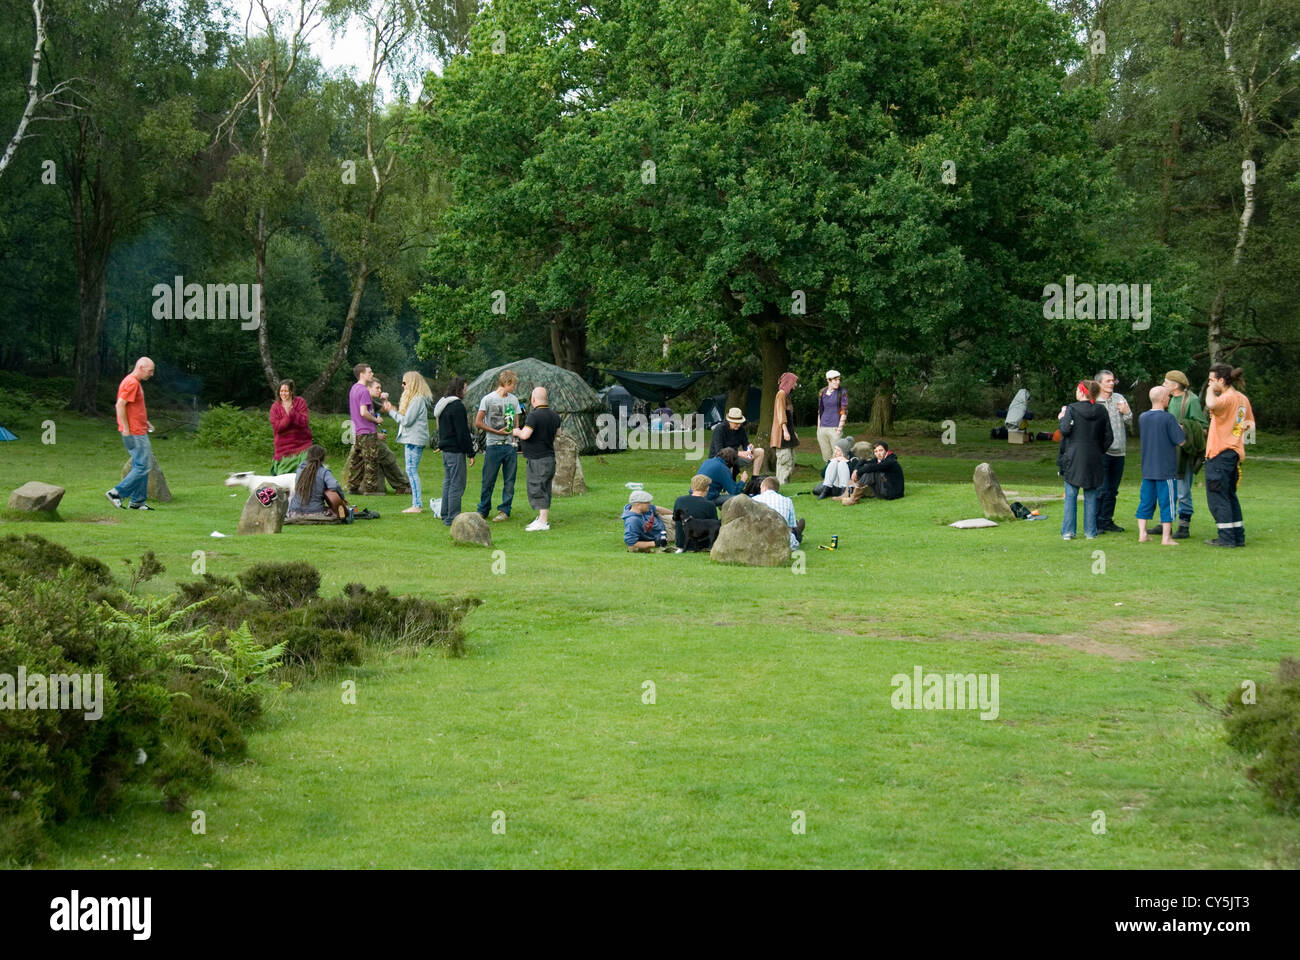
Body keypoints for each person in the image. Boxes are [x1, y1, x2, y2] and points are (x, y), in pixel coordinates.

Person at [1202, 364, 1255, 548]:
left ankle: (1225, 538)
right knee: (1230, 495)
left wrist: (1210, 390)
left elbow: (1211, 404)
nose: (1210, 383)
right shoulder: (1242, 399)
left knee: (1218, 497)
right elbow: (1249, 426)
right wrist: (1236, 438)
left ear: (1221, 380)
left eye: (1211, 380)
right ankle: (1237, 536)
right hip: (1233, 453)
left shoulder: (1226, 397)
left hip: (1219, 454)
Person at [1057, 380, 1113, 540]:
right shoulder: (1101, 410)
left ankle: (1068, 531)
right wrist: (1098, 450)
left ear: (1082, 392)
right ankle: (1090, 531)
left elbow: (1065, 430)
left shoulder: (1072, 409)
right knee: (1091, 495)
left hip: (1074, 455)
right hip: (1094, 456)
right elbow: (1109, 437)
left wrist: (1062, 417)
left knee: (1071, 495)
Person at [1135, 386, 1185, 546]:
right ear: (1163, 399)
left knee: (1145, 501)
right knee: (1168, 503)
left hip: (1147, 468)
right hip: (1165, 469)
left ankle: (1142, 534)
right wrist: (1180, 428)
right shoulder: (1169, 418)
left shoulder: (1143, 417)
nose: (1169, 399)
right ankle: (1166, 537)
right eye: (1168, 397)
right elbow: (1181, 441)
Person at [106, 356, 157, 510]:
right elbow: (120, 405)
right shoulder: (132, 383)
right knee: (144, 466)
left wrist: (145, 422)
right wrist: (126, 429)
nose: (152, 374)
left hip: (138, 429)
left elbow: (133, 408)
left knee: (140, 465)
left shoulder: (133, 382)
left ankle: (137, 501)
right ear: (141, 367)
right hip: (134, 433)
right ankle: (116, 493)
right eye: (150, 371)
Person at [1162, 370, 1208, 539]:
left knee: (1183, 489)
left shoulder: (1192, 400)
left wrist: (1184, 428)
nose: (1163, 385)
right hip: (1168, 450)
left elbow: (1202, 427)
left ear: (1175, 385)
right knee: (1167, 487)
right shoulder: (1169, 399)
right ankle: (1165, 523)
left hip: (1184, 452)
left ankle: (1184, 527)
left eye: (1166, 382)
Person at [475, 369, 522, 522]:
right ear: (507, 383)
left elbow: (516, 421)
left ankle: (504, 511)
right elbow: (478, 422)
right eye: (513, 384)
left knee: (509, 480)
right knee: (488, 480)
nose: (515, 387)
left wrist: (515, 438)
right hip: (493, 445)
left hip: (509, 446)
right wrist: (496, 431)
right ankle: (483, 510)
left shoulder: (513, 400)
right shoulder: (488, 399)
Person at [512, 386, 561, 531]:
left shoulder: (534, 416)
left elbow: (526, 434)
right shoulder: (554, 415)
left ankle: (543, 522)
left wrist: (517, 431)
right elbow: (559, 433)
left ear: (533, 399)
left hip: (538, 459)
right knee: (544, 488)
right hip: (549, 457)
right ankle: (541, 518)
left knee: (537, 488)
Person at [383, 371, 433, 513]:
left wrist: (391, 412)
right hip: (413, 439)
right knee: (410, 470)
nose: (402, 385)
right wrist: (392, 409)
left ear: (412, 383)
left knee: (411, 470)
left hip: (414, 440)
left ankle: (417, 505)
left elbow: (406, 421)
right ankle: (416, 504)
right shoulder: (417, 399)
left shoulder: (417, 400)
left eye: (404, 383)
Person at [1095, 369, 1133, 534]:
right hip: (1101, 451)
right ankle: (1096, 522)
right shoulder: (1094, 402)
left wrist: (1126, 412)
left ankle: (1107, 520)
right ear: (1099, 383)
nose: (1111, 383)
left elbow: (1130, 421)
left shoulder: (1119, 399)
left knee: (1112, 489)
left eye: (1112, 381)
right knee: (1101, 489)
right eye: (1108, 381)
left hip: (1119, 451)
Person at [433, 377, 475, 526]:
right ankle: (453, 518)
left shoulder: (443, 405)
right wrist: (470, 452)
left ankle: (445, 514)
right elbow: (462, 433)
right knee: (457, 484)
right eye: (465, 388)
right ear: (459, 389)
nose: (466, 391)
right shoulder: (457, 406)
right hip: (456, 451)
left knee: (448, 483)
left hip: (446, 450)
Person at [286, 444, 355, 523]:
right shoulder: (324, 472)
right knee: (341, 512)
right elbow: (334, 486)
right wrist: (342, 499)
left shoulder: (300, 470)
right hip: (316, 512)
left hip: (294, 512)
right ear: (323, 458)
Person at [345, 362, 383, 495]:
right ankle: (370, 490)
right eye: (370, 372)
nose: (372, 374)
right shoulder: (364, 391)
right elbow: (364, 412)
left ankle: (353, 487)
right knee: (371, 460)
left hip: (357, 431)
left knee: (357, 461)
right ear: (362, 374)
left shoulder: (353, 389)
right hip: (367, 431)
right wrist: (376, 420)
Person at [269, 379, 313, 476]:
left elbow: (304, 422)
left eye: (286, 391)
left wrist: (292, 412)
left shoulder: (300, 402)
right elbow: (278, 428)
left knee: (306, 471)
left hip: (303, 444)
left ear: (291, 391)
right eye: (281, 391)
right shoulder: (275, 407)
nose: (283, 394)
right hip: (284, 448)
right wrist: (288, 416)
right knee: (283, 476)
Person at [752, 476, 806, 551]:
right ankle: (798, 531)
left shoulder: (754, 500)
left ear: (764, 487)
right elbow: (790, 527)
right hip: (782, 541)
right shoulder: (787, 501)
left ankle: (798, 530)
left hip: (759, 540)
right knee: (793, 530)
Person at [672, 474, 720, 552]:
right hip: (702, 544)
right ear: (707, 488)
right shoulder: (709, 504)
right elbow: (714, 527)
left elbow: (676, 521)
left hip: (680, 543)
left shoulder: (679, 500)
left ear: (692, 487)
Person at [709, 407, 765, 474]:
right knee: (729, 459)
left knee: (760, 451)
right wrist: (739, 453)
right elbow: (720, 451)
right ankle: (728, 482)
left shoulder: (741, 429)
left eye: (740, 423)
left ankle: (755, 479)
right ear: (729, 421)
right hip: (718, 459)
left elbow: (745, 444)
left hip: (735, 456)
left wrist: (749, 447)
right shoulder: (720, 429)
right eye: (736, 423)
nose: (738, 425)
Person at [769, 371, 800, 485]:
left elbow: (789, 417)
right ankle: (781, 485)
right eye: (794, 382)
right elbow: (780, 414)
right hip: (782, 435)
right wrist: (785, 432)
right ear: (789, 382)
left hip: (788, 433)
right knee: (784, 460)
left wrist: (793, 433)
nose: (795, 384)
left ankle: (786, 484)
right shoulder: (781, 394)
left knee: (791, 460)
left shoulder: (787, 396)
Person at [816, 370, 848, 463]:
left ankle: (839, 476)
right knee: (826, 458)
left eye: (839, 380)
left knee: (838, 457)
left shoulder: (842, 392)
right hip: (822, 429)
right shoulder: (822, 392)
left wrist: (839, 429)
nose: (838, 382)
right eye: (835, 380)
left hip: (835, 428)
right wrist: (818, 429)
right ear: (828, 380)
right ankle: (828, 477)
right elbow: (820, 410)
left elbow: (844, 411)